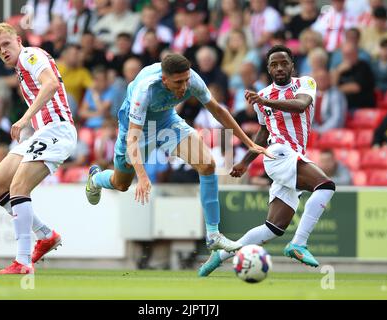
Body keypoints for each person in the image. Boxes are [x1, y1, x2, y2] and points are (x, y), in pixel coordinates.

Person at [84, 53, 272, 252]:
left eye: (186, 80)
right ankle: (96, 179)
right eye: (178, 82)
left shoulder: (193, 81)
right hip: (137, 131)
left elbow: (217, 110)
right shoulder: (145, 89)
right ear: (164, 80)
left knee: (207, 164)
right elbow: (133, 138)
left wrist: (248, 142)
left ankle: (213, 234)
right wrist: (142, 176)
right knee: (121, 184)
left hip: (167, 122)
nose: (184, 87)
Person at [198, 45, 336, 277]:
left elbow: (300, 105)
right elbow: (264, 132)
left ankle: (221, 254)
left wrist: (264, 102)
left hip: (294, 155)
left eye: (284, 63)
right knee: (326, 186)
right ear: (269, 69)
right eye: (274, 64)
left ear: (292, 64)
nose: (279, 68)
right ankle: (299, 244)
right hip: (278, 153)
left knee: (273, 228)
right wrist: (246, 160)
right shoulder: (263, 95)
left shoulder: (305, 83)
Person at [0, 23, 77, 274]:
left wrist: (24, 119)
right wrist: (28, 129)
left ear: (18, 39)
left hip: (57, 130)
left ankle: (23, 261)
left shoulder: (30, 55)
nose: (3, 51)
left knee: (17, 187)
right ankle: (45, 234)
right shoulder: (20, 68)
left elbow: (50, 85)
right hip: (41, 132)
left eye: (6, 44)